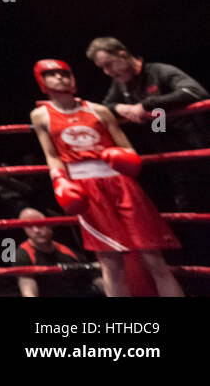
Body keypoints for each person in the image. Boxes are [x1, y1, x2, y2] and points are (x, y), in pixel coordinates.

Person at [28, 59, 183, 296]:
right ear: (42, 81)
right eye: (53, 74)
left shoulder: (98, 110)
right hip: (87, 192)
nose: (60, 78)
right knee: (111, 265)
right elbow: (52, 155)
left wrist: (124, 157)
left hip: (121, 184)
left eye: (64, 73)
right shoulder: (40, 116)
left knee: (155, 260)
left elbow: (128, 149)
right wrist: (59, 180)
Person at [88, 36, 209, 214]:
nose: (108, 72)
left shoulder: (159, 71)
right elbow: (104, 106)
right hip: (168, 154)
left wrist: (146, 105)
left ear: (123, 55)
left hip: (195, 147)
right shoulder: (122, 83)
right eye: (103, 68)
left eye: (110, 64)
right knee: (189, 208)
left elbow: (196, 91)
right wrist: (120, 107)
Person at [13, 207, 98, 297]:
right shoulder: (23, 254)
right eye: (29, 227)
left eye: (39, 224)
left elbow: (94, 277)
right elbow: (27, 288)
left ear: (50, 225)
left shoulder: (68, 250)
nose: (36, 231)